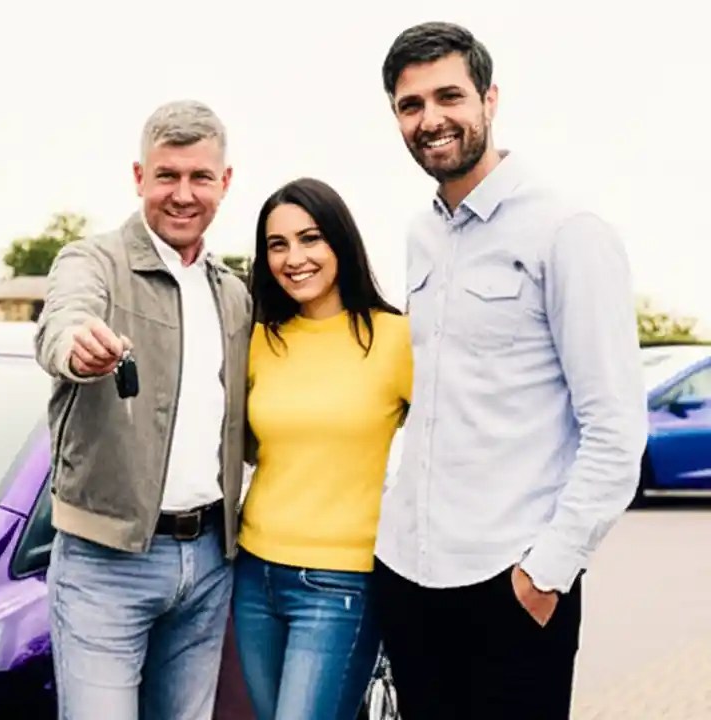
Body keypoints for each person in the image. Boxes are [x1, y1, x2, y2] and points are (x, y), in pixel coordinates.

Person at [372, 21, 649, 719]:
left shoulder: (567, 232)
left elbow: (616, 428)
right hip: (410, 576)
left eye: (448, 97)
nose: (431, 120)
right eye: (411, 105)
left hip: (511, 586)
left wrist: (547, 572)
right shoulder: (420, 235)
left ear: (489, 100)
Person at [33, 99, 254, 719]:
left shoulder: (233, 294)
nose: (183, 195)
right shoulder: (91, 261)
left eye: (199, 177)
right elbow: (63, 323)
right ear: (139, 178)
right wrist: (79, 348)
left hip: (211, 560)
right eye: (167, 176)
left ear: (224, 183)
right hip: (105, 568)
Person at [231, 177, 412, 720]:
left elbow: (457, 446)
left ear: (340, 242)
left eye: (310, 239)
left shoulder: (396, 339)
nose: (294, 258)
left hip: (339, 585)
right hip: (254, 574)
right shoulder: (259, 341)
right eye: (277, 244)